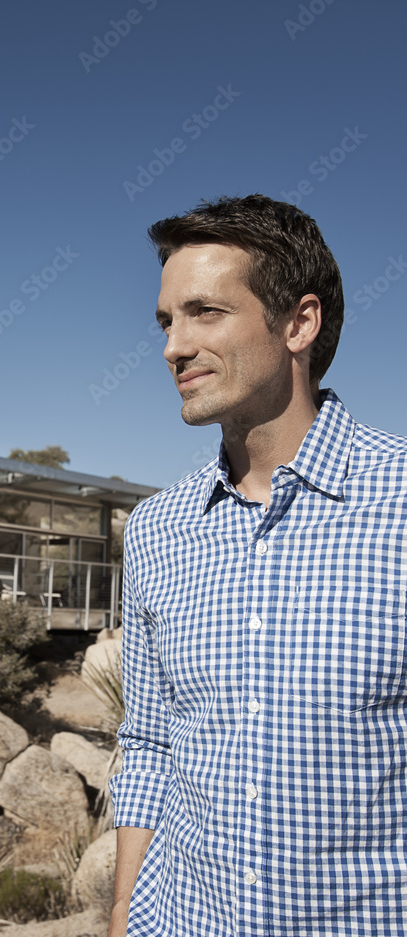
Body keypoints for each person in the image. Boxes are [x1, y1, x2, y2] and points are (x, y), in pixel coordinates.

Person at [108, 194, 407, 937]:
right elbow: (147, 743)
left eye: (205, 312)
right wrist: (121, 914)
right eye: (167, 321)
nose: (174, 346)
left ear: (298, 323)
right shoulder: (155, 531)